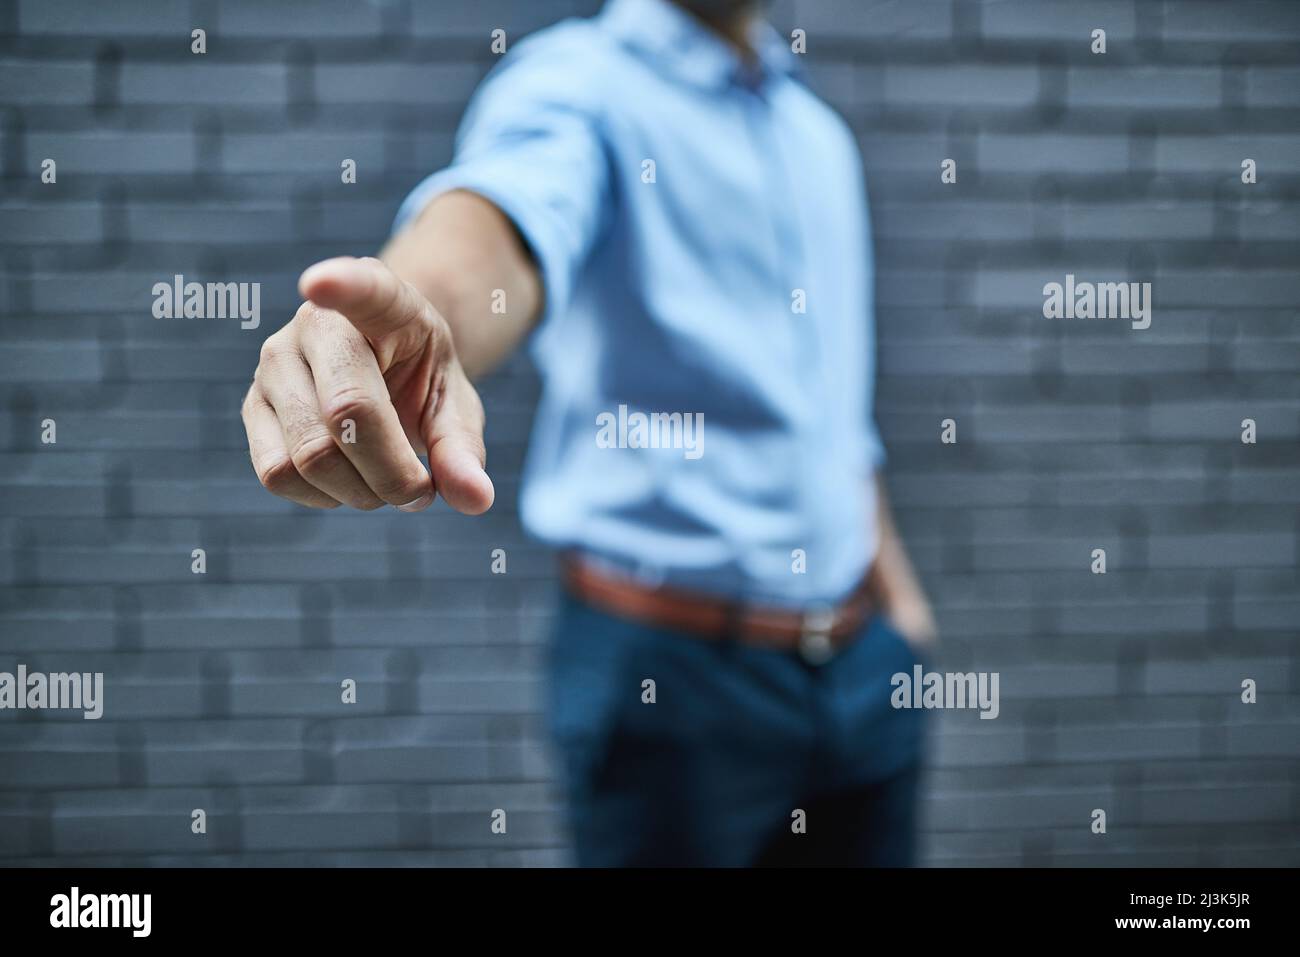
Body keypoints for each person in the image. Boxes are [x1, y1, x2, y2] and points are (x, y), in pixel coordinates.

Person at [239, 0, 938, 866]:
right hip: (673, 679)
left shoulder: (816, 134)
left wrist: (897, 604)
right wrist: (414, 316)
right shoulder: (578, 83)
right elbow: (499, 221)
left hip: (866, 664)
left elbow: (834, 409)